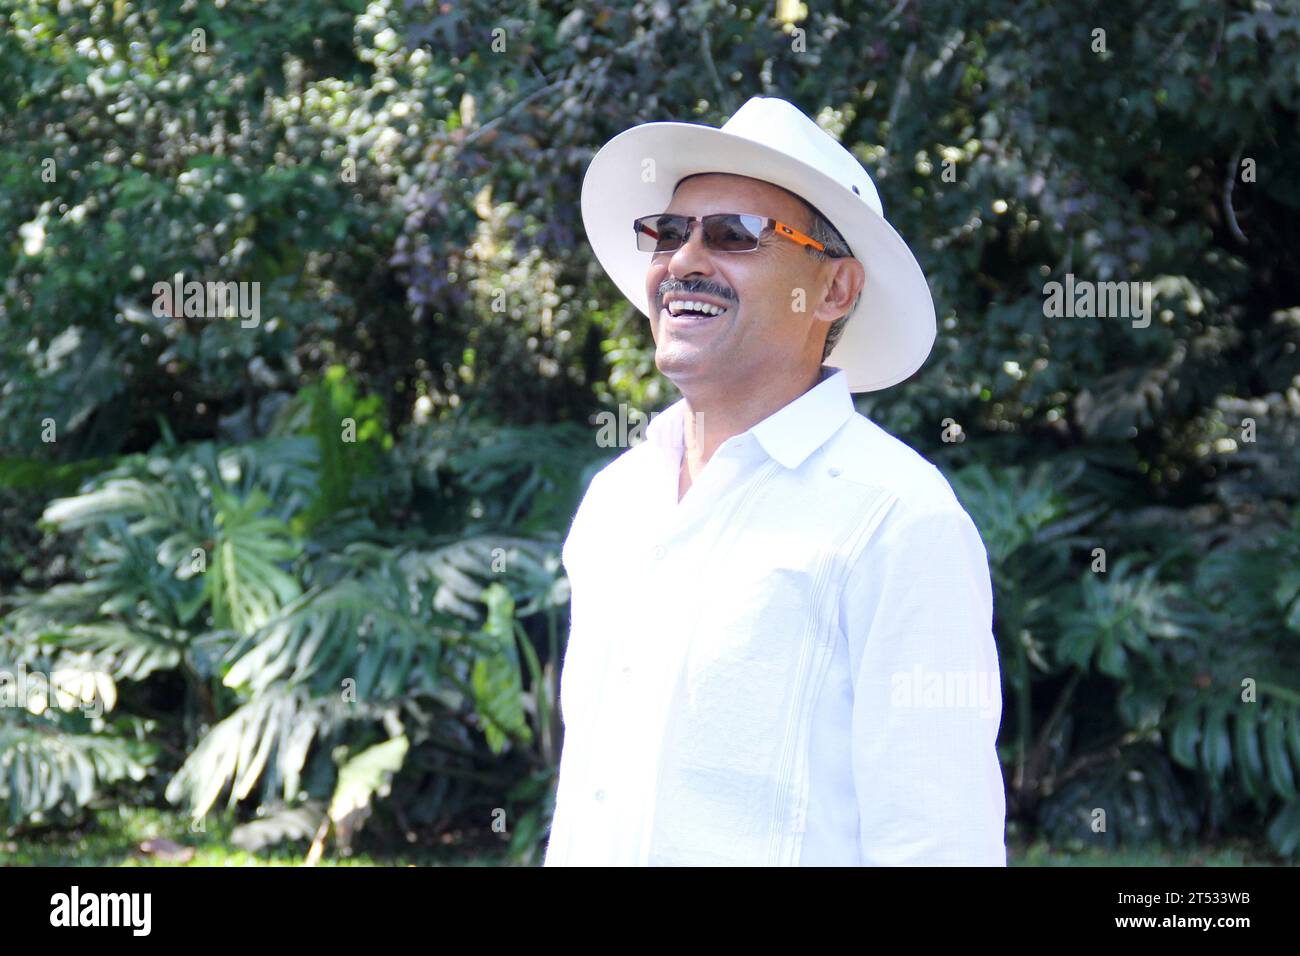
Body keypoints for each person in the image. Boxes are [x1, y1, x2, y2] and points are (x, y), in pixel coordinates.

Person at [543, 96, 1006, 865]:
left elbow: (937, 840)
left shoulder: (897, 517)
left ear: (835, 290)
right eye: (667, 232)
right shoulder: (618, 499)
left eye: (735, 235)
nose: (683, 259)